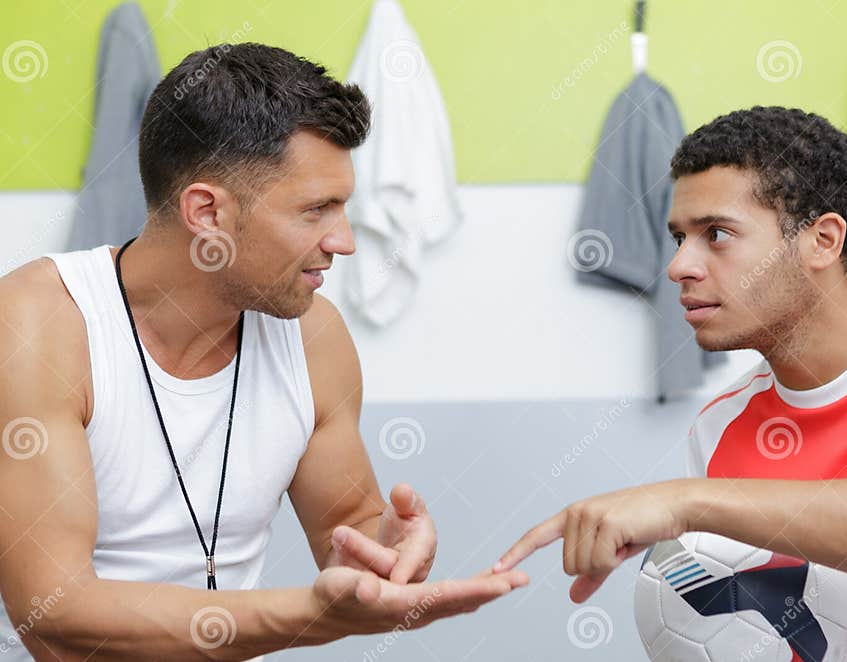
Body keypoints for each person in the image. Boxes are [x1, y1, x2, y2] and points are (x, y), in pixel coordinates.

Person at [0, 43, 525, 661]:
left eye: (344, 207)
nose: (346, 241)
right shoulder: (39, 322)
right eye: (315, 210)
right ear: (207, 212)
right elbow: (57, 608)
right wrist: (311, 616)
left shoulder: (315, 337)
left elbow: (347, 528)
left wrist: (383, 551)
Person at [496, 106, 847, 661]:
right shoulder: (721, 428)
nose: (679, 266)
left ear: (823, 241)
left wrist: (689, 501)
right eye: (679, 237)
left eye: (717, 234)